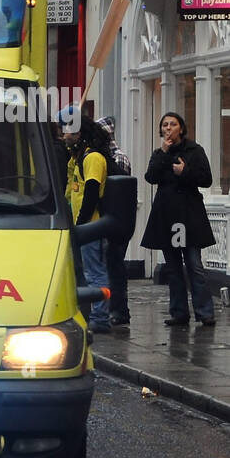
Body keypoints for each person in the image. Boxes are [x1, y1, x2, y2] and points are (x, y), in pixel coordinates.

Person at [141, 111, 216, 327]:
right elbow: (151, 177)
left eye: (173, 124)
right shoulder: (159, 153)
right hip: (167, 216)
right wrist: (164, 153)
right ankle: (179, 313)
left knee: (194, 264)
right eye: (165, 125)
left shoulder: (195, 150)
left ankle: (205, 312)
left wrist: (185, 172)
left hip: (189, 216)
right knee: (173, 268)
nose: (168, 128)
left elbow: (206, 179)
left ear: (181, 128)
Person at [58, 107, 112, 334]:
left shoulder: (93, 159)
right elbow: (71, 192)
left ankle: (101, 317)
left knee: (94, 272)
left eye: (67, 130)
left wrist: (80, 223)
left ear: (78, 133)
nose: (63, 134)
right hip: (81, 224)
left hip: (91, 225)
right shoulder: (78, 158)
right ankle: (91, 314)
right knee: (85, 272)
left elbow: (90, 194)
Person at [97, 115, 132, 328]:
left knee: (115, 267)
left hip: (116, 221)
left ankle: (119, 310)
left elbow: (120, 184)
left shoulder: (118, 158)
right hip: (105, 219)